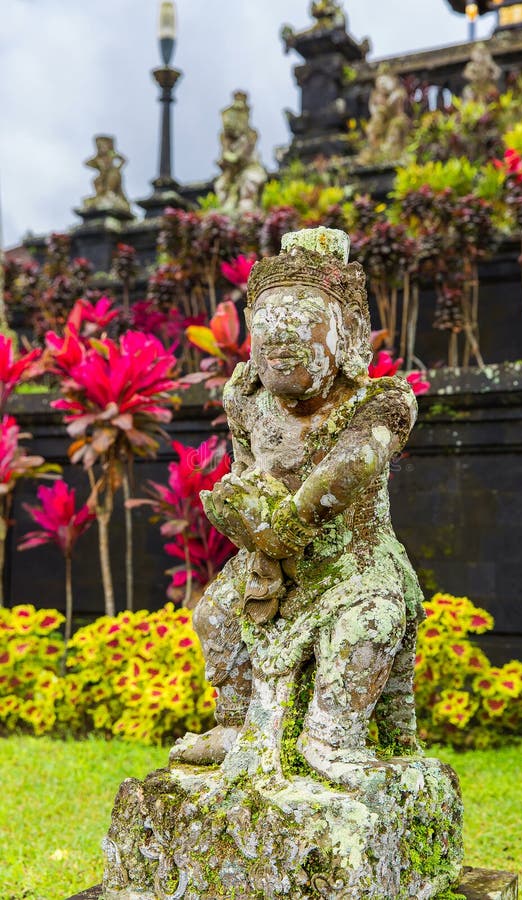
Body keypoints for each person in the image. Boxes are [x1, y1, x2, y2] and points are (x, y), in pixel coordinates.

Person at [171, 227, 424, 788]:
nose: (278, 337)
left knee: (370, 623)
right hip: (270, 560)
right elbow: (245, 472)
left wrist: (287, 523)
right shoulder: (249, 400)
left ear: (349, 333)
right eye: (264, 326)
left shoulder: (381, 403)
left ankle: (331, 735)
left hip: (349, 561)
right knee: (215, 614)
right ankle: (235, 721)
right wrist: (242, 515)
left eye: (302, 320)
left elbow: (349, 471)